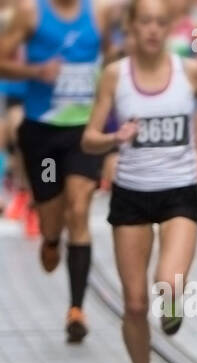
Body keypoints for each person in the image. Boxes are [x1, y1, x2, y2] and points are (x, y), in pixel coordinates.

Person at [82, 0, 197, 363]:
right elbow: (88, 140)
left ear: (170, 28)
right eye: (144, 22)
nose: (151, 30)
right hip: (131, 194)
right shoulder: (116, 75)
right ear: (131, 27)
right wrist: (115, 136)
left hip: (180, 193)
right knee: (133, 305)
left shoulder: (191, 72)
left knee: (167, 283)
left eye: (159, 23)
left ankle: (172, 303)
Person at [0, 0, 115, 343]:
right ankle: (51, 238)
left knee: (79, 207)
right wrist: (37, 72)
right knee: (53, 217)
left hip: (83, 135)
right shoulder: (31, 13)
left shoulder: (99, 13)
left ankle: (76, 309)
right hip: (44, 138)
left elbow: (111, 60)